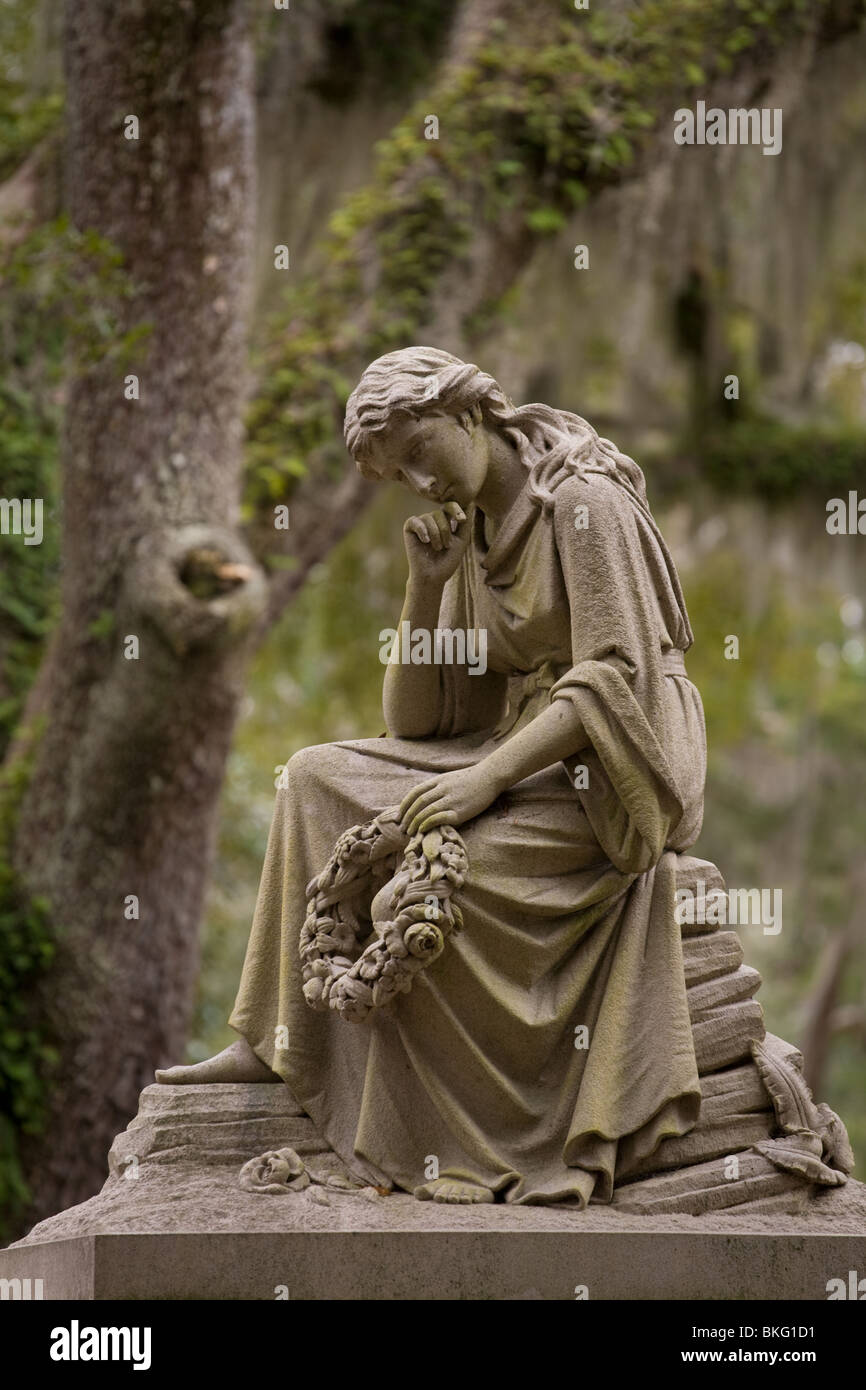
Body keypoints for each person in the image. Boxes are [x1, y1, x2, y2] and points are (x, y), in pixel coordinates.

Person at [158, 345, 708, 1207]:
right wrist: (426, 589)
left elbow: (612, 678)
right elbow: (422, 723)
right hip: (519, 743)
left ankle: (469, 1136)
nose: (418, 483)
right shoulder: (476, 531)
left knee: (407, 900)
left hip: (614, 764)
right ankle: (272, 1041)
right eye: (397, 474)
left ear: (467, 411)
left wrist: (484, 783)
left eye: (420, 454)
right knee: (310, 775)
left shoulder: (584, 501)